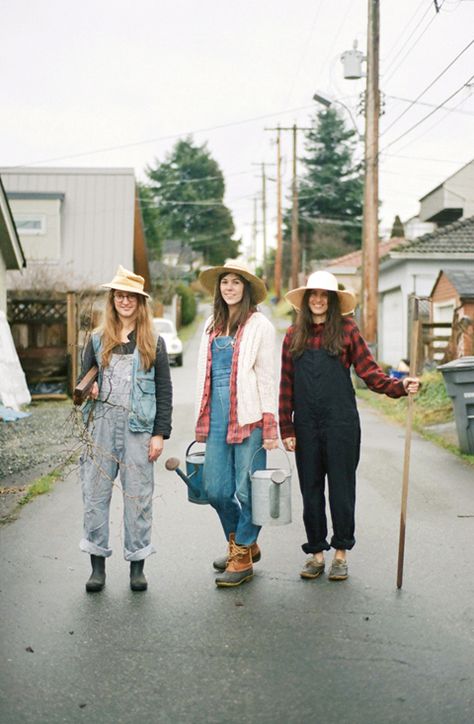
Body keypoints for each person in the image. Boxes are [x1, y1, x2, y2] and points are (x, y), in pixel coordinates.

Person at [279, 270, 420, 582]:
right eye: (312, 295)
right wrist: (286, 429)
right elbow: (285, 385)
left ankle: (340, 553)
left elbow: (370, 373)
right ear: (305, 300)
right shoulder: (292, 335)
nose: (317, 300)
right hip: (305, 425)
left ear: (331, 301)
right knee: (311, 490)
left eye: (324, 295)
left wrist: (400, 386)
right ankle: (316, 553)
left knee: (342, 490)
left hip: (341, 423)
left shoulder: (347, 331)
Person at [78, 265, 172, 593]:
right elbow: (80, 382)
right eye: (120, 295)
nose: (125, 301)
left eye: (131, 296)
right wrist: (86, 389)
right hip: (100, 427)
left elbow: (164, 390)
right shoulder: (95, 340)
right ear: (112, 300)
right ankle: (97, 568)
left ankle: (137, 566)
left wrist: (160, 433)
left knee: (138, 498)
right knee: (95, 496)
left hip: (139, 429)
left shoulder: (152, 343)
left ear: (139, 302)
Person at [195, 260, 279, 587]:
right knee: (214, 489)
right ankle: (242, 542)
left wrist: (270, 425)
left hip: (250, 416)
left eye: (236, 282)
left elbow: (267, 379)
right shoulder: (209, 325)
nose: (229, 287)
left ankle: (241, 552)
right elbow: (204, 376)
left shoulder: (260, 325)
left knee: (248, 490)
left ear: (246, 289)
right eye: (224, 282)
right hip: (217, 417)